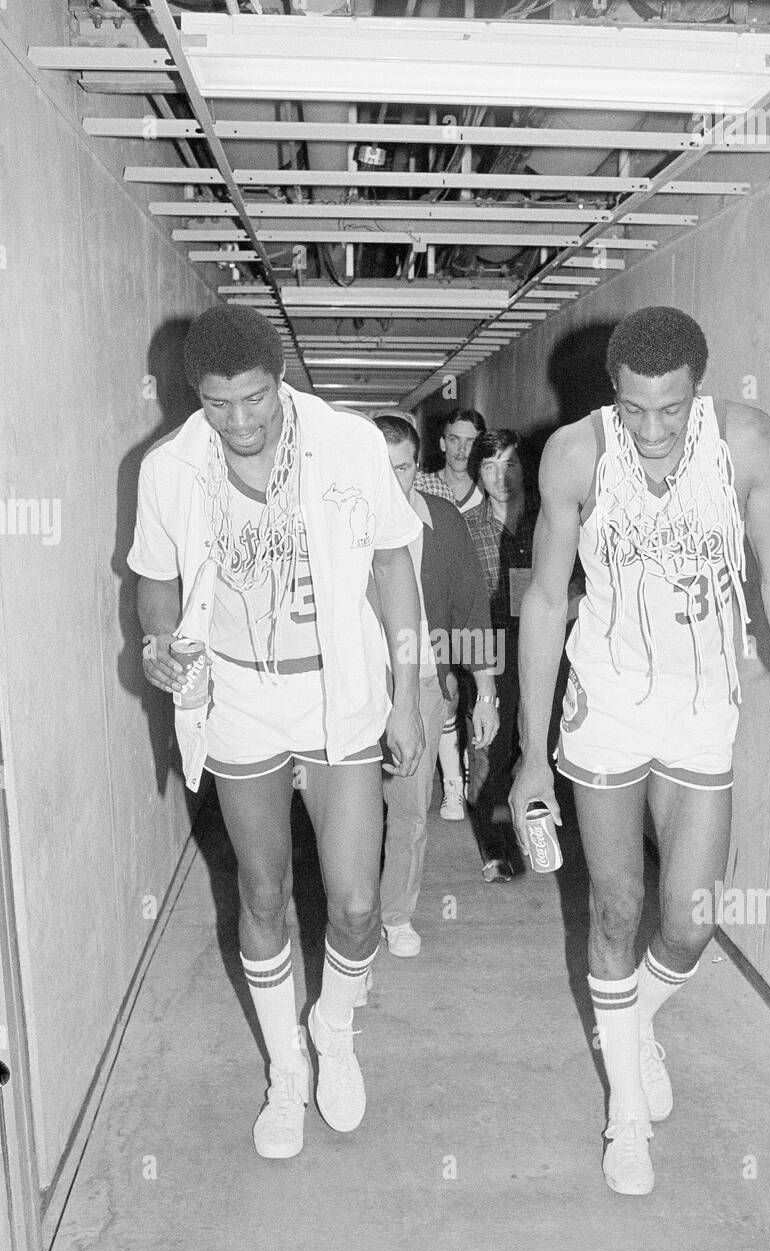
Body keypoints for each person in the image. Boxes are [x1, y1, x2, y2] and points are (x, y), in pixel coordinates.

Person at [509, 305, 770, 1197]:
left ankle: (633, 1020)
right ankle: (624, 1111)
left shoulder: (747, 444)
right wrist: (531, 754)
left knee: (690, 917)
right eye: (634, 408)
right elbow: (542, 601)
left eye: (672, 409)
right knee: (616, 909)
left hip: (700, 709)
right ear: (614, 394)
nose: (651, 430)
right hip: (607, 702)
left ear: (701, 390)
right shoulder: (576, 454)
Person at [129, 305, 425, 1161]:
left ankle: (334, 1026)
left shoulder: (349, 446)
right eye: (219, 405)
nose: (240, 422)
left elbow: (392, 566)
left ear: (281, 379)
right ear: (197, 398)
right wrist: (157, 648)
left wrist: (406, 692)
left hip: (339, 694)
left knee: (358, 901)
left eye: (255, 399)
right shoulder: (169, 469)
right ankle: (286, 1068)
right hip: (241, 702)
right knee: (261, 895)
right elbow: (156, 579)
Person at [371, 414, 499, 958]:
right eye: (378, 467)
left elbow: (471, 605)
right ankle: (352, 912)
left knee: (408, 807)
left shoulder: (442, 521)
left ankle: (395, 914)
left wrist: (485, 693)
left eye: (400, 468)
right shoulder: (336, 521)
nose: (389, 479)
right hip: (352, 685)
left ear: (416, 467)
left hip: (421, 681)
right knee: (349, 810)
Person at [463, 430, 538, 882]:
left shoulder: (550, 522)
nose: (501, 476)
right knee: (490, 748)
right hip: (492, 647)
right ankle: (496, 846)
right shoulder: (468, 528)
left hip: (548, 645)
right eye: (489, 467)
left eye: (509, 464)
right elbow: (465, 608)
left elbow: (581, 587)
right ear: (478, 475)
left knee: (538, 744)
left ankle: (533, 826)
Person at [416, 407, 487, 820]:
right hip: (437, 607)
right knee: (446, 692)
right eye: (454, 440)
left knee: (475, 695)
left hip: (479, 606)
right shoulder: (422, 485)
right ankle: (451, 786)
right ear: (442, 443)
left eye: (471, 441)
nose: (462, 449)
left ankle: (467, 774)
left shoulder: (489, 487)